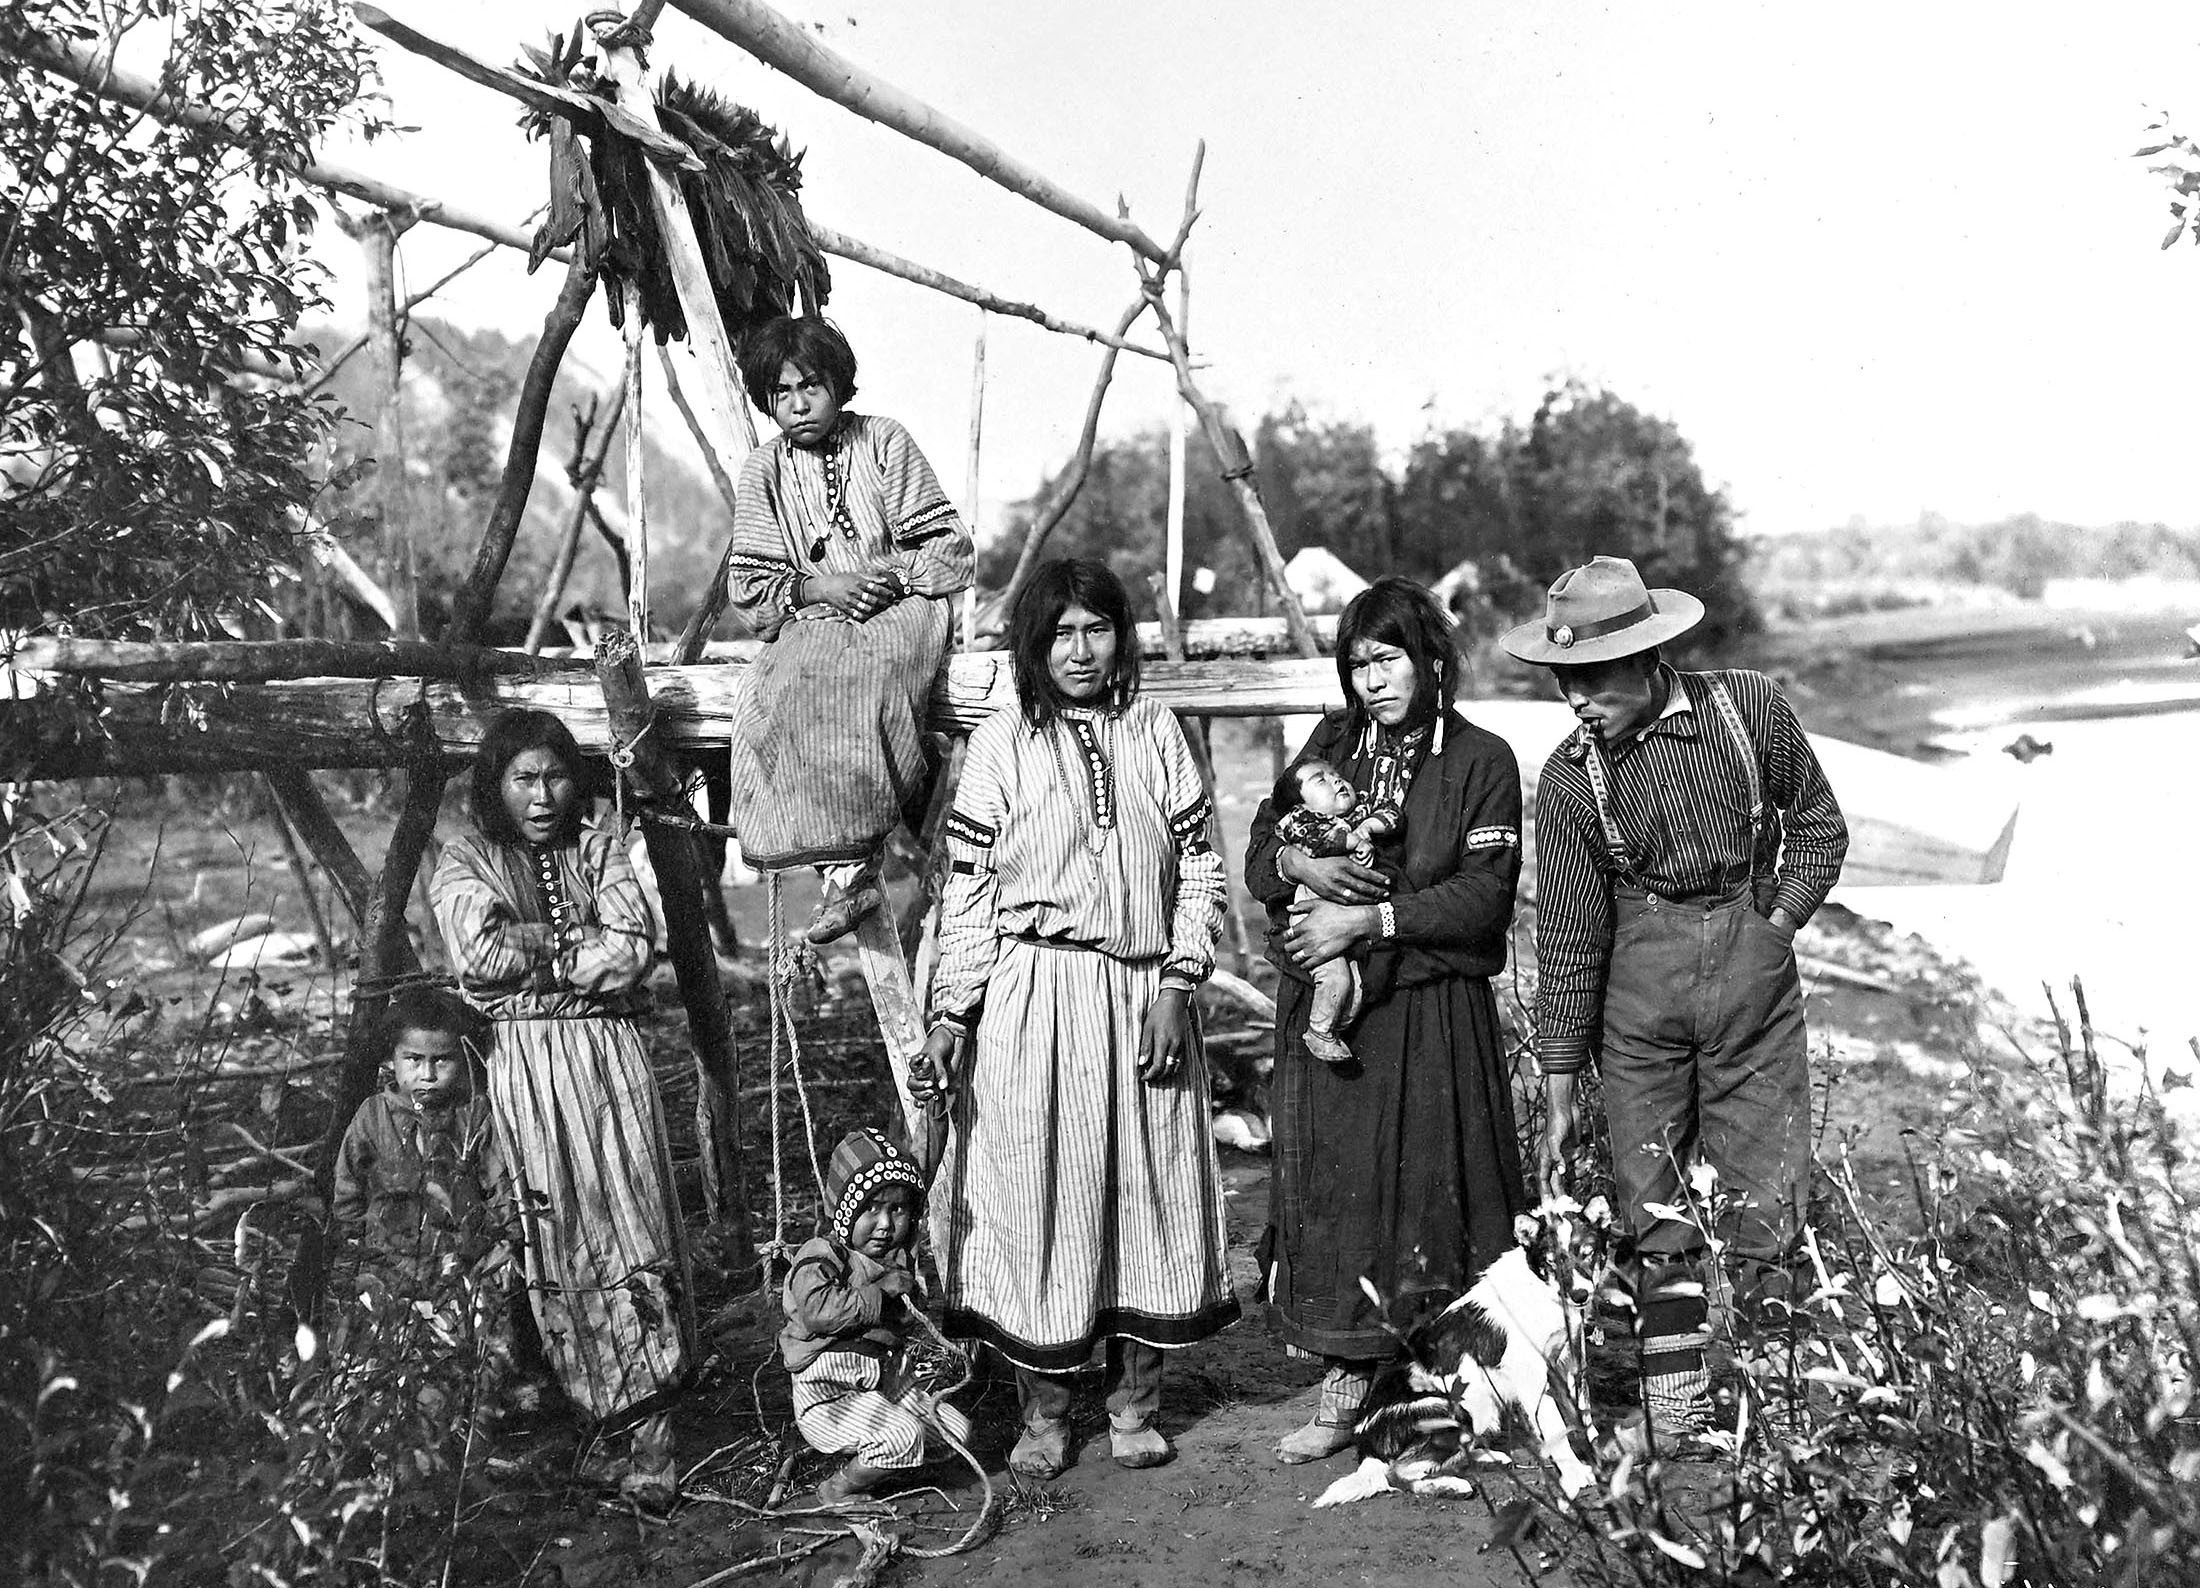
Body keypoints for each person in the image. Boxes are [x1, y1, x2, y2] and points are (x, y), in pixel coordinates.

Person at [1500, 555, 1847, 1448]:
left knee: (1767, 1202)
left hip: (1753, 982)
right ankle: (1678, 1414)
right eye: (1563, 681)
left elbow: (1817, 824)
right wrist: (1563, 1085)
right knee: (1654, 1213)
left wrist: (1776, 923)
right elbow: (1571, 936)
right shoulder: (1573, 778)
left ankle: (1769, 1405)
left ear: (1651, 659)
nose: (1577, 700)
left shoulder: (1750, 709)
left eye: (1594, 680)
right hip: (1637, 1003)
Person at [908, 558, 1237, 1480]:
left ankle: (1134, 1406)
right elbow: (969, 898)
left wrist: (1178, 987)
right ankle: (1045, 1415)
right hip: (1032, 999)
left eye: (1098, 630)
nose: (1081, 652)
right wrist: (950, 1018)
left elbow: (1201, 870)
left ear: (1120, 637)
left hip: (1141, 997)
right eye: (1061, 633)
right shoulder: (1002, 744)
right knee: (1037, 1199)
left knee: (1147, 1193)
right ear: (1032, 644)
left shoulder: (1156, 728)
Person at [1243, 575, 1528, 1464]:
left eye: (1389, 658)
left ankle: (1458, 1390)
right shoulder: (1331, 745)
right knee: (1343, 1198)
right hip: (1336, 1017)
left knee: (1441, 1199)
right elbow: (1258, 851)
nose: (1372, 680)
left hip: (1433, 1014)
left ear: (1433, 659)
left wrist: (1368, 919)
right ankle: (1344, 1386)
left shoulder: (1481, 761)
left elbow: (1481, 901)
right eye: (1357, 663)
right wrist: (1303, 865)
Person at [430, 708, 695, 1507]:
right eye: (523, 779)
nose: (542, 796)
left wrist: (536, 948)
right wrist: (569, 942)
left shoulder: (601, 842)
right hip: (524, 1068)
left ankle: (652, 1439)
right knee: (555, 1234)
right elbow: (475, 951)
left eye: (554, 776)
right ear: (496, 786)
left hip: (608, 1061)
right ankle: (593, 1424)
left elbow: (632, 948)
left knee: (630, 1220)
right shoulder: (464, 854)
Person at [718, 315, 975, 944]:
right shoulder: (764, 470)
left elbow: (950, 550)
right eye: (781, 395)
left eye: (811, 386)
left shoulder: (885, 441)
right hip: (814, 614)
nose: (799, 405)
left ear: (839, 383)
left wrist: (877, 578)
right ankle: (844, 870)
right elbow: (751, 589)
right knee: (768, 696)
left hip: (901, 605)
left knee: (864, 682)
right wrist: (823, 586)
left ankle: (855, 873)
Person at [781, 1128, 974, 1503]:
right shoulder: (822, 1255)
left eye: (897, 1209)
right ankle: (838, 1489)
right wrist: (880, 1295)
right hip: (831, 1395)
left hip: (886, 1383)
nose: (885, 1224)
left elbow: (922, 1165)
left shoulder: (897, 1254)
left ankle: (885, 1467)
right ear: (844, 1211)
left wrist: (934, 1109)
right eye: (872, 1208)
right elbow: (819, 1310)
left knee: (956, 1432)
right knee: (904, 1436)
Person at [1266, 758, 1403, 1065]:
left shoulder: (1358, 814)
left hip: (1345, 917)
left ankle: (1334, 1030)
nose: (1336, 781)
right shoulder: (1300, 820)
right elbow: (1314, 841)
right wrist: (1353, 840)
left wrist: (1368, 826)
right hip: (1312, 916)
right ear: (1300, 803)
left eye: (1337, 775)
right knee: (1336, 979)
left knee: (1356, 988)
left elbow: (1394, 814)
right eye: (1321, 780)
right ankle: (1318, 1031)